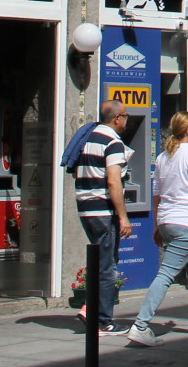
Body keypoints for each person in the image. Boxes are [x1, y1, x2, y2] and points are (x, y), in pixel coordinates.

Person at [125, 111, 188, 347]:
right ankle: (140, 325)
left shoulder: (164, 157)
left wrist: (157, 225)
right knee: (166, 274)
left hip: (168, 221)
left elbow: (157, 193)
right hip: (186, 222)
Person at [73, 99, 133, 334]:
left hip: (86, 208)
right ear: (116, 118)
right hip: (103, 211)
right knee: (108, 268)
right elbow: (113, 181)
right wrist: (123, 217)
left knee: (100, 263)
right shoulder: (113, 142)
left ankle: (89, 308)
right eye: (125, 116)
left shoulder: (88, 138)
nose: (126, 120)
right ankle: (102, 322)